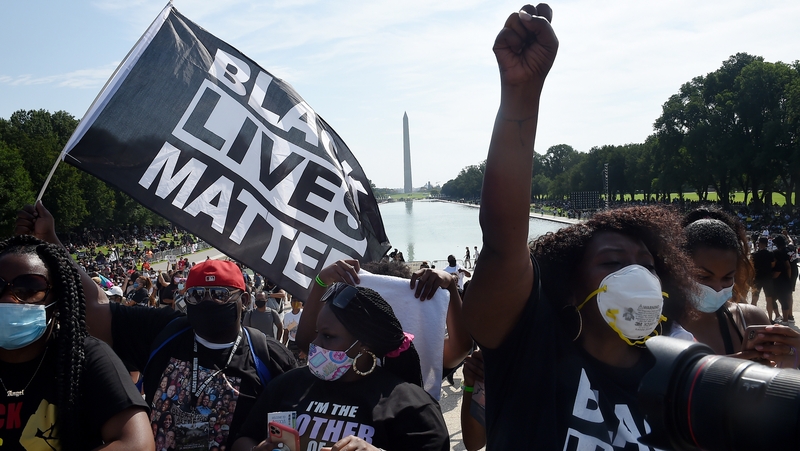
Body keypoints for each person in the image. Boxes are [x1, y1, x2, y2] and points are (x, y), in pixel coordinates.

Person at [461, 6, 700, 448]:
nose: (636, 274)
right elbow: (503, 243)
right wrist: (521, 95)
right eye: (612, 261)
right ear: (571, 286)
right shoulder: (530, 351)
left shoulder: (677, 376)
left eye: (647, 264)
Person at [16, 202, 297, 451]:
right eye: (197, 295)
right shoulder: (165, 330)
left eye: (220, 294)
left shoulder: (269, 356)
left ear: (244, 300)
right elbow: (95, 307)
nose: (208, 301)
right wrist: (50, 241)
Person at [232, 281, 449, 451]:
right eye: (318, 333)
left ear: (364, 345)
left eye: (328, 336)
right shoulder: (287, 386)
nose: (315, 344)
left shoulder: (413, 408)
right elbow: (243, 438)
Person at [0, 234, 153, 449]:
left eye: (28, 288)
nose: (7, 299)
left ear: (57, 300)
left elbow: (136, 444)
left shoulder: (87, 357)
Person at [772, 235, 795, 324]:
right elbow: (791, 242)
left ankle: (787, 316)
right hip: (794, 273)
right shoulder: (791, 248)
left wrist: (787, 279)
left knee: (786, 296)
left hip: (788, 275)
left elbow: (787, 267)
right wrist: (787, 235)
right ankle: (790, 315)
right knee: (789, 295)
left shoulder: (782, 252)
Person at [281, 297, 306, 365]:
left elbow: (308, 333)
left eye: (298, 301)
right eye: (294, 301)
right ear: (291, 302)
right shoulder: (287, 316)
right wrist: (283, 345)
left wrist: (305, 350)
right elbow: (286, 332)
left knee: (301, 366)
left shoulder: (305, 314)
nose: (295, 303)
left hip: (302, 344)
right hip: (291, 344)